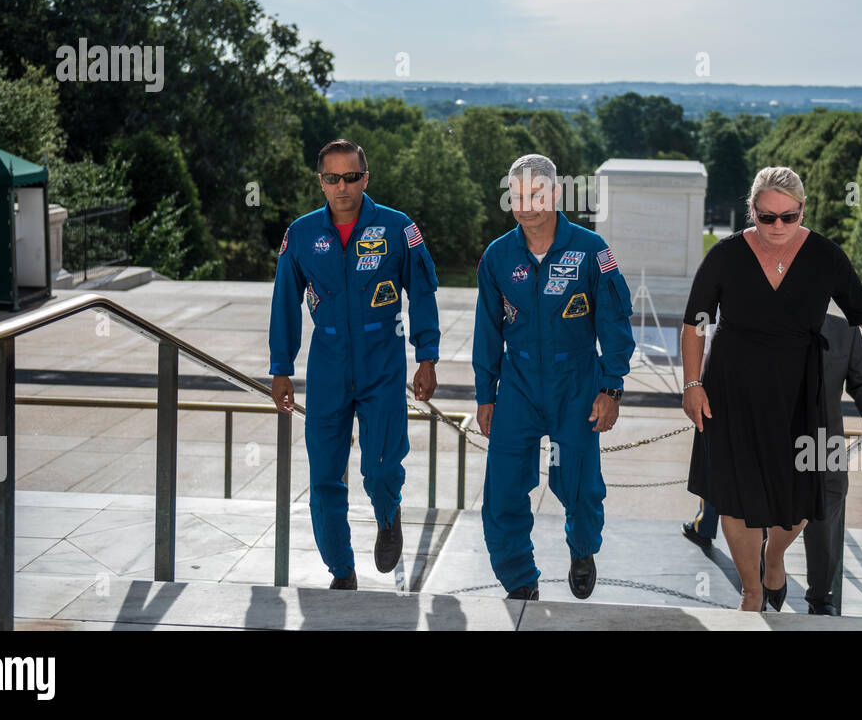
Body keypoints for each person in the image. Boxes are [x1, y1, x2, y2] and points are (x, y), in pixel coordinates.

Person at [680, 166, 862, 613]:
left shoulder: (826, 256)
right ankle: (751, 592)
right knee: (734, 497)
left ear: (803, 210)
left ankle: (775, 555)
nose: (779, 227)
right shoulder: (726, 255)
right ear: (752, 211)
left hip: (800, 389)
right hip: (731, 387)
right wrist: (692, 384)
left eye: (789, 216)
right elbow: (694, 323)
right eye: (767, 217)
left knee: (804, 493)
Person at [268, 139, 441, 590]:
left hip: (382, 359)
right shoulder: (302, 234)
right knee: (324, 475)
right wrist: (280, 367)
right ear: (320, 181)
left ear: (366, 177)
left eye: (351, 177)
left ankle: (388, 514)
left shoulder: (398, 228)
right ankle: (341, 571)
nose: (342, 187)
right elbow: (284, 301)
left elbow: (422, 292)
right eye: (332, 178)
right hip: (326, 365)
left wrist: (427, 357)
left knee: (381, 466)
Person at [473, 154, 635, 601]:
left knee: (579, 485)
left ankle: (582, 550)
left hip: (576, 385)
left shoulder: (591, 250)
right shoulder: (498, 257)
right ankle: (520, 577)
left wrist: (611, 386)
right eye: (518, 196)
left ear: (556, 194)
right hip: (518, 387)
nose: (527, 206)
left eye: (537, 195)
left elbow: (616, 323)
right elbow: (487, 330)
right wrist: (486, 393)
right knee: (503, 489)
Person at [682, 312, 862, 615]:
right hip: (769, 437)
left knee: (827, 511)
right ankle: (762, 575)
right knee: (759, 508)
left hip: (822, 441)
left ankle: (820, 596)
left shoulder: (845, 331)